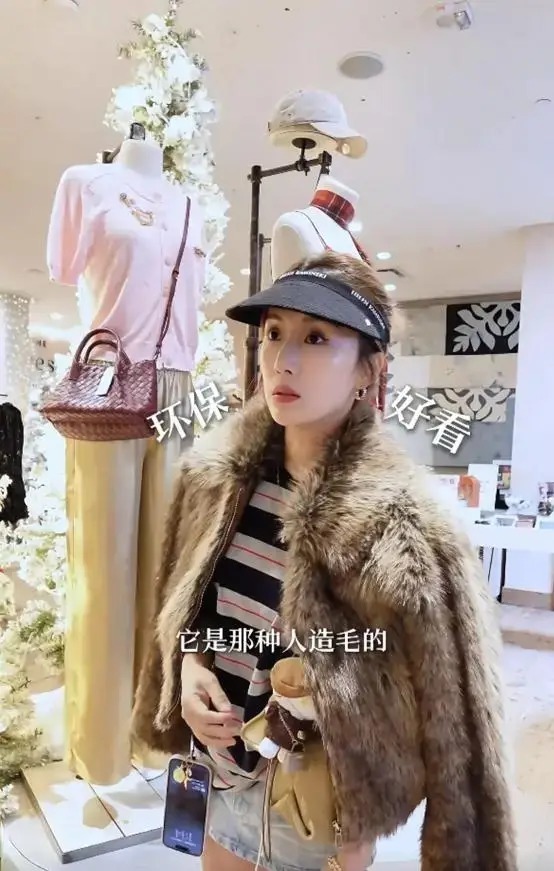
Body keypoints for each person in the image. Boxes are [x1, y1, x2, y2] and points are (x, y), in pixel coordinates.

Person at [132, 251, 516, 871]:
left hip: (317, 805)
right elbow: (192, 612)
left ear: (368, 369)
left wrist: (367, 805)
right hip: (218, 776)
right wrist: (192, 669)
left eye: (316, 338)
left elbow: (460, 720)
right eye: (273, 333)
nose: (282, 360)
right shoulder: (213, 481)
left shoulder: (407, 527)